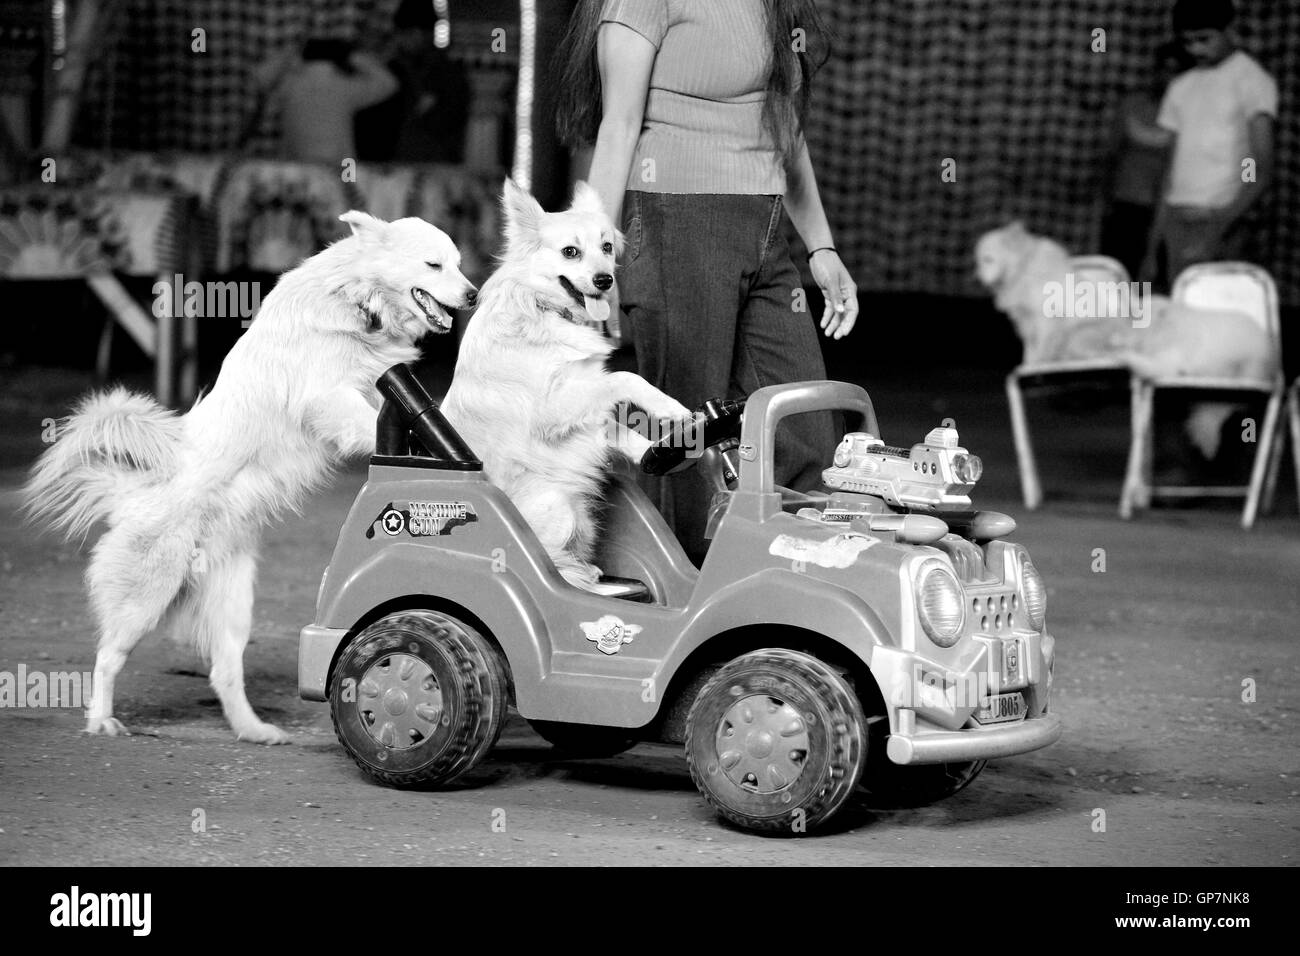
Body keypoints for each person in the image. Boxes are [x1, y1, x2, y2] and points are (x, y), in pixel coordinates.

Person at [553, 0, 860, 564]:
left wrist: (821, 247)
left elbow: (785, 128)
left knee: (802, 423)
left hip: (764, 227)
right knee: (686, 430)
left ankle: (783, 576)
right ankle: (669, 592)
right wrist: (593, 265)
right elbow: (617, 129)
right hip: (678, 220)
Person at [1138, 0, 1277, 286]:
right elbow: (1169, 172)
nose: (1196, 49)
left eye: (1205, 39)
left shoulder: (1251, 80)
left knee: (1216, 313)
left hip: (1223, 218)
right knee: (1181, 312)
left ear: (1231, 30)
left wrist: (1221, 223)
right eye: (1188, 42)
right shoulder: (1181, 86)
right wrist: (1152, 249)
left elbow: (1257, 165)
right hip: (1177, 219)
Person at [1100, 41, 1191, 280]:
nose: (1167, 76)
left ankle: (1143, 317)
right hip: (1123, 205)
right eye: (1163, 68)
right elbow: (1111, 155)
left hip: (1161, 213)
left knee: (1148, 281)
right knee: (1114, 275)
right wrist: (1107, 202)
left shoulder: (1189, 116)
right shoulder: (1132, 105)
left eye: (1175, 71)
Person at [273, 39, 398, 165]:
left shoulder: (289, 84)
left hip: (299, 164)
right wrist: (354, 56)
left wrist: (288, 53)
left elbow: (259, 79)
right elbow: (389, 83)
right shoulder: (345, 86)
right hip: (343, 164)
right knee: (349, 182)